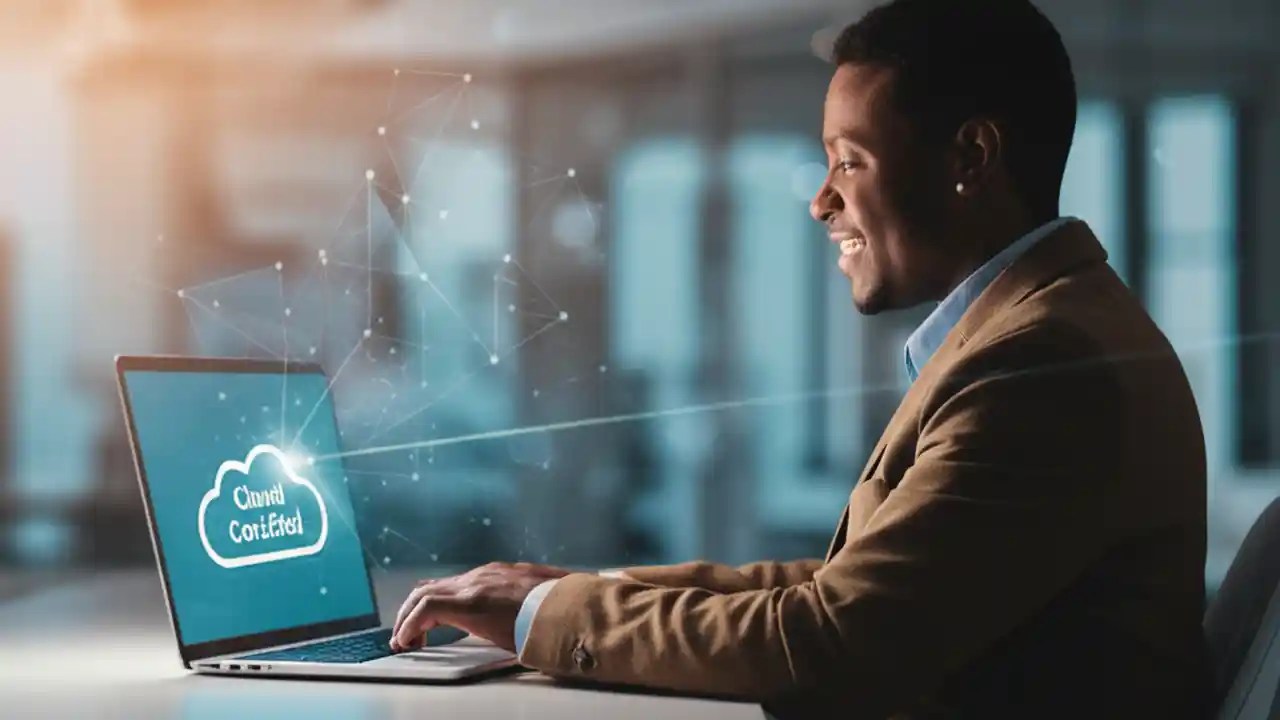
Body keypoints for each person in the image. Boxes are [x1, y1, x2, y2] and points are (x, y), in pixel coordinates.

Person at [390, 0, 1209, 717]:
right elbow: (842, 585)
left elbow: (831, 642)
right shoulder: (1045, 329)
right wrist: (575, 597)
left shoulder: (1039, 367)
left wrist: (553, 618)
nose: (821, 199)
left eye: (849, 160)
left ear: (971, 157)